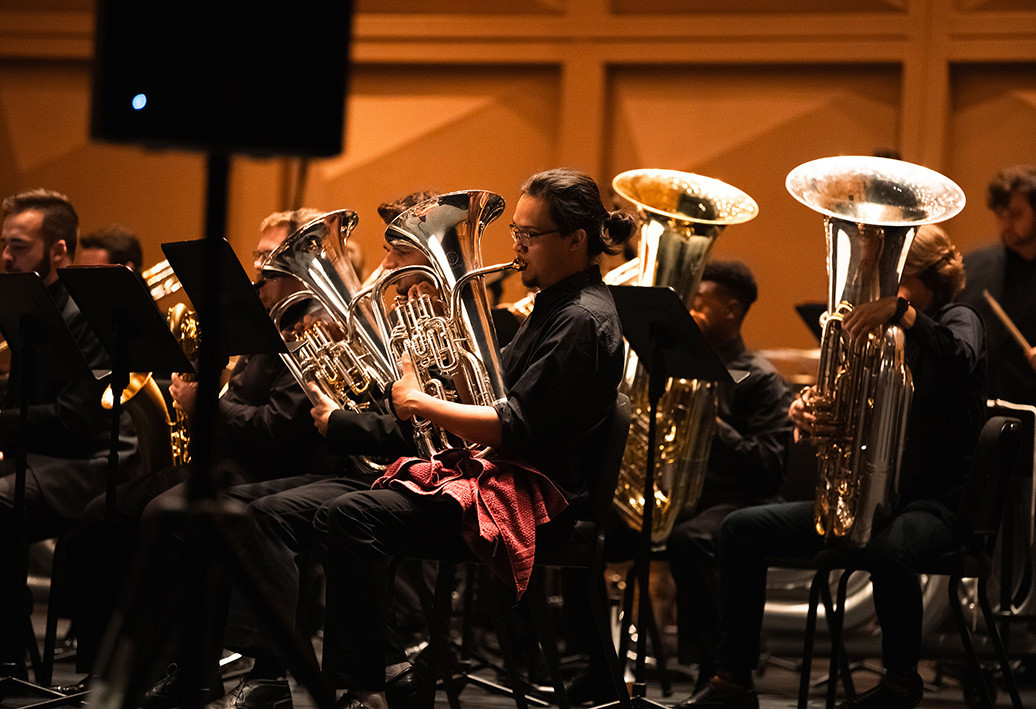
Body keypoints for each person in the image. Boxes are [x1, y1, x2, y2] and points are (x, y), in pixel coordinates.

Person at [316, 168, 633, 709]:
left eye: (529, 236)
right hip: (507, 478)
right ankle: (388, 672)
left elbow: (512, 425)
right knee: (349, 509)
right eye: (515, 231)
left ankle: (375, 684)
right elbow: (493, 396)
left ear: (577, 240)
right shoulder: (555, 307)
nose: (515, 247)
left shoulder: (581, 320)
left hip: (536, 501)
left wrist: (418, 401)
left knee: (349, 517)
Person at [681, 224, 987, 708]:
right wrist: (811, 409)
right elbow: (848, 407)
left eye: (898, 281)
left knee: (891, 551)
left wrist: (902, 312)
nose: (885, 294)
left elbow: (962, 357)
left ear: (930, 279)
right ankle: (733, 680)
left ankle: (901, 681)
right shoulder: (884, 331)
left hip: (933, 506)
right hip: (865, 500)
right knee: (741, 529)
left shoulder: (957, 318)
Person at [69, 208, 348, 696]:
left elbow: (281, 425)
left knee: (167, 515)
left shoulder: (317, 327)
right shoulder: (264, 319)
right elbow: (242, 404)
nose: (259, 268)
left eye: (272, 256)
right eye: (259, 254)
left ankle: (191, 671)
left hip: (282, 469)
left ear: (305, 260)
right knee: (104, 512)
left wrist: (211, 405)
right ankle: (112, 666)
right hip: (233, 461)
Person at [203, 193, 438, 709]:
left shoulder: (433, 330)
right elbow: (396, 421)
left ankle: (370, 677)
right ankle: (282, 673)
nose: (383, 267)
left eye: (396, 255)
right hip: (384, 467)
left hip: (428, 478)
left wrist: (340, 421)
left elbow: (419, 431)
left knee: (341, 515)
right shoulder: (395, 325)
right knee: (257, 512)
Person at [0, 189, 139, 665]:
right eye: (4, 244)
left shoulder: (86, 313)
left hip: (88, 464)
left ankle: (8, 654)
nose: (5, 256)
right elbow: (24, 400)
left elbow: (77, 418)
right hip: (41, 458)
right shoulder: (30, 302)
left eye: (19, 246)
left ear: (58, 250)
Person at [666, 261, 793, 699]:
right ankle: (595, 664)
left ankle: (718, 673)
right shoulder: (683, 366)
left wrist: (713, 426)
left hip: (743, 502)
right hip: (689, 497)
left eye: (701, 302)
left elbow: (769, 465)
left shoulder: (761, 378)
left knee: (690, 539)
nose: (691, 309)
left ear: (732, 310)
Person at [957, 164, 1036, 412]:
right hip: (984, 408)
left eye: (1015, 215)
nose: (1005, 224)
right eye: (1000, 215)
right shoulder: (976, 265)